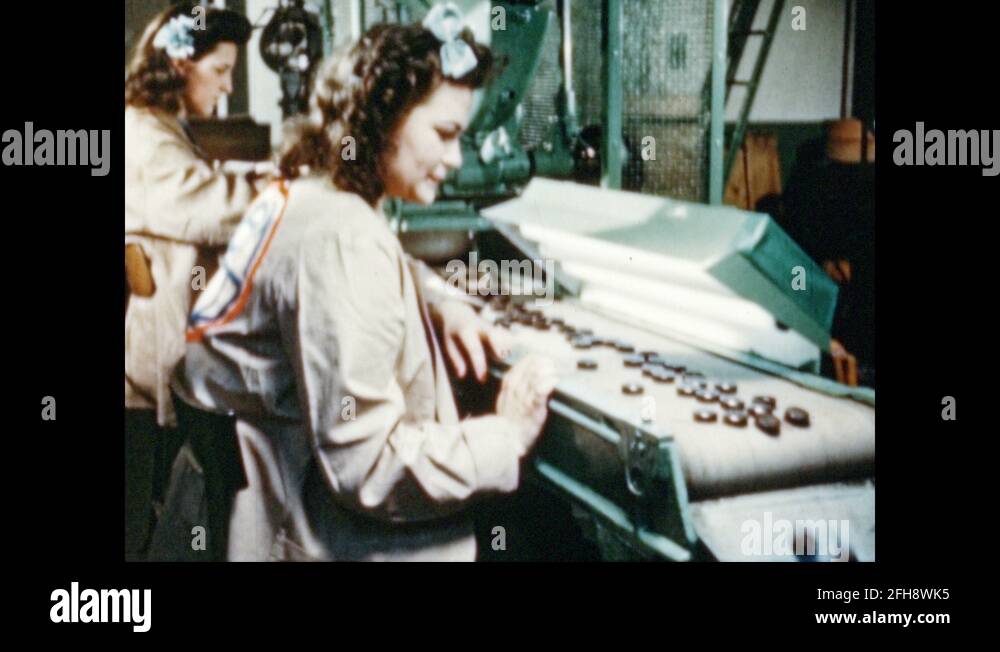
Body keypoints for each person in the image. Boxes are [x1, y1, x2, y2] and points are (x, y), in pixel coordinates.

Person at [161, 4, 558, 561]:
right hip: (306, 528)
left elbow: (357, 267)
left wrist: (439, 301)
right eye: (444, 134)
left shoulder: (307, 194)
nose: (454, 159)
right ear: (383, 118)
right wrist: (504, 437)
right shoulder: (343, 235)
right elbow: (367, 466)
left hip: (234, 505)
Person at [124, 2, 258, 560]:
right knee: (165, 517)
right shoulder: (146, 133)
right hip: (151, 366)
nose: (227, 87)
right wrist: (281, 192)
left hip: (162, 348)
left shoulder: (155, 124)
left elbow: (198, 186)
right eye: (221, 70)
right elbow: (206, 207)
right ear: (182, 64)